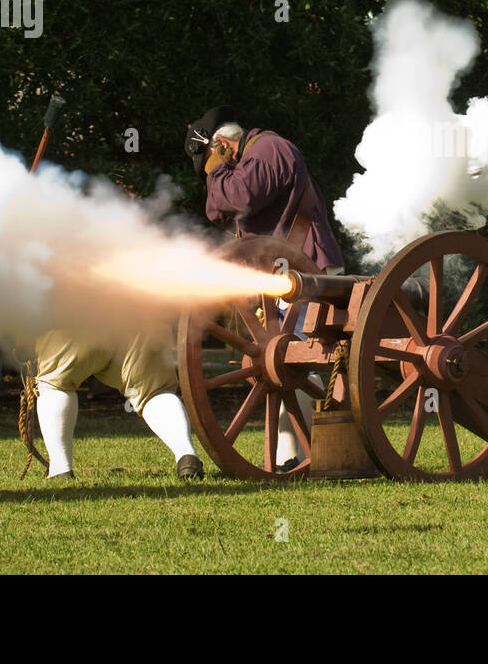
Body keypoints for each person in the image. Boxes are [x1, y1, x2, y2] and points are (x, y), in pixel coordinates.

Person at [186, 104, 345, 470]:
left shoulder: (269, 148)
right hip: (286, 274)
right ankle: (293, 456)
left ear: (224, 144)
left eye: (212, 161)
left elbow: (239, 197)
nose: (211, 174)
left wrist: (218, 173)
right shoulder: (245, 161)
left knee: (297, 361)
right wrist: (219, 173)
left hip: (310, 270)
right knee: (283, 365)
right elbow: (217, 210)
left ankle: (326, 445)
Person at [34, 327, 204, 480]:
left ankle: (60, 467)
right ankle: (186, 454)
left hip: (77, 312)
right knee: (154, 391)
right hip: (138, 312)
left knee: (55, 384)